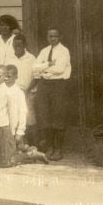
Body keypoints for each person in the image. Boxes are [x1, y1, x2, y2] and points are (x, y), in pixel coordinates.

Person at [33, 28, 71, 160]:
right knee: (45, 115)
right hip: (44, 85)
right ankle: (50, 147)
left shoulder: (64, 51)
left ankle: (58, 148)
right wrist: (49, 64)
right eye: (50, 36)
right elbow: (34, 67)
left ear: (60, 37)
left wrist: (43, 69)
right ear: (47, 37)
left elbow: (60, 69)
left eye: (55, 36)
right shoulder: (44, 51)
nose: (53, 38)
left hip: (58, 85)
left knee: (58, 115)